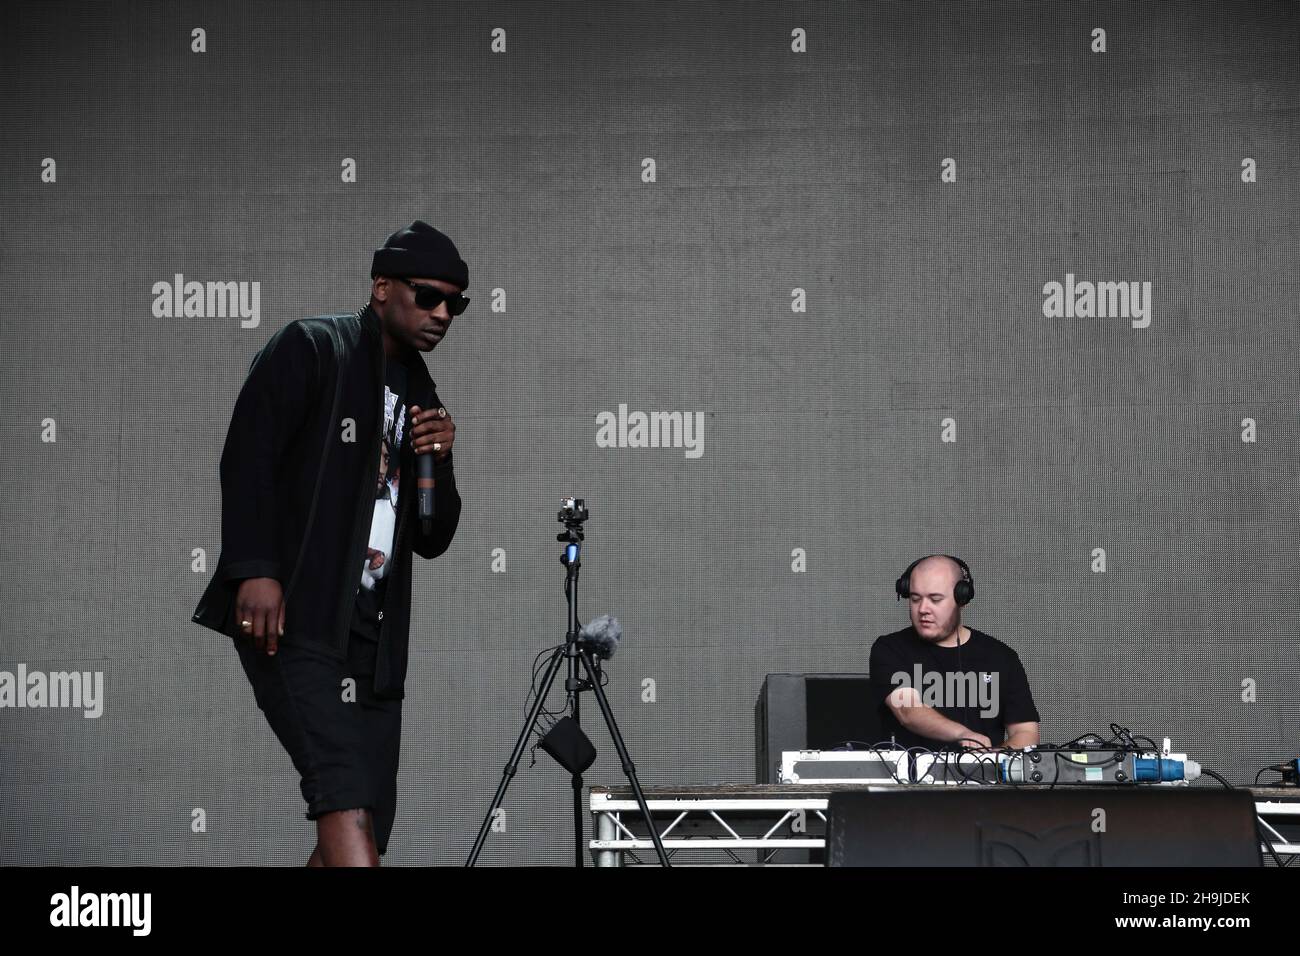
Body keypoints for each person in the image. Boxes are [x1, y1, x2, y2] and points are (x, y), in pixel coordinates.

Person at [192, 220, 468, 865]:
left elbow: (432, 536)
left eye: (456, 303)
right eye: (428, 295)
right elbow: (248, 458)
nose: (442, 313)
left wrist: (441, 459)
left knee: (371, 818)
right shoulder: (314, 347)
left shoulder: (424, 396)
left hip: (372, 644)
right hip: (297, 617)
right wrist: (256, 570)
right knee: (343, 792)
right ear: (381, 287)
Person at [868, 555, 1040, 751]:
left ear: (962, 598)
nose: (923, 609)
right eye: (915, 599)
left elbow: (1025, 733)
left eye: (935, 599)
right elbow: (908, 710)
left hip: (983, 779)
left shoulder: (1001, 657)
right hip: (910, 779)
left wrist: (988, 761)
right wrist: (962, 734)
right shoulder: (890, 649)